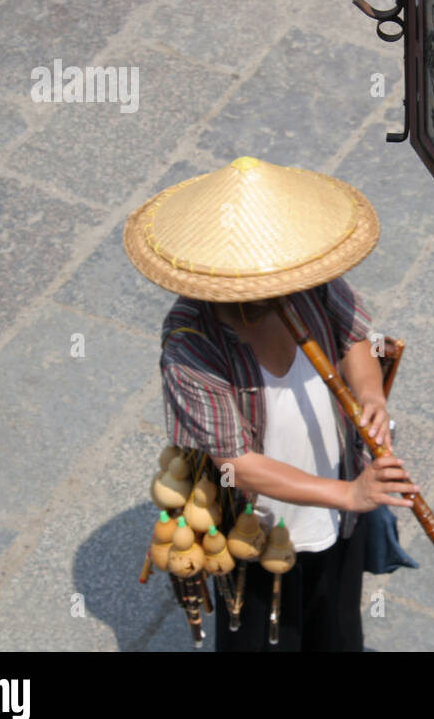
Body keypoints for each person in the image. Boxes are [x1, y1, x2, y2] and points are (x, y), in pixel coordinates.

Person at [124, 156, 418, 651]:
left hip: (338, 496)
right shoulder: (190, 346)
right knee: (262, 640)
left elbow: (357, 340)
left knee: (338, 633)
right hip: (253, 526)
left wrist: (370, 396)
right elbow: (236, 464)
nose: (281, 292)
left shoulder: (310, 279)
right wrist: (349, 495)